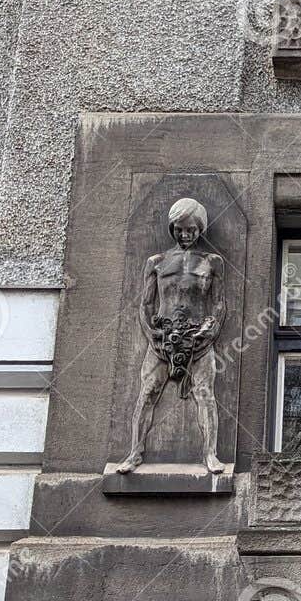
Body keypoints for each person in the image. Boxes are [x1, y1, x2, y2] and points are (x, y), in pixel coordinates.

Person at [115, 197, 227, 474]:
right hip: (162, 338)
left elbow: (220, 303)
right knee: (148, 392)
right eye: (179, 229)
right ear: (172, 228)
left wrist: (210, 329)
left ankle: (210, 455)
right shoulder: (156, 261)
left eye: (191, 229)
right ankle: (135, 453)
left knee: (205, 394)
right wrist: (151, 333)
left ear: (200, 228)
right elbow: (145, 303)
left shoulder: (212, 262)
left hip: (198, 340)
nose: (185, 234)